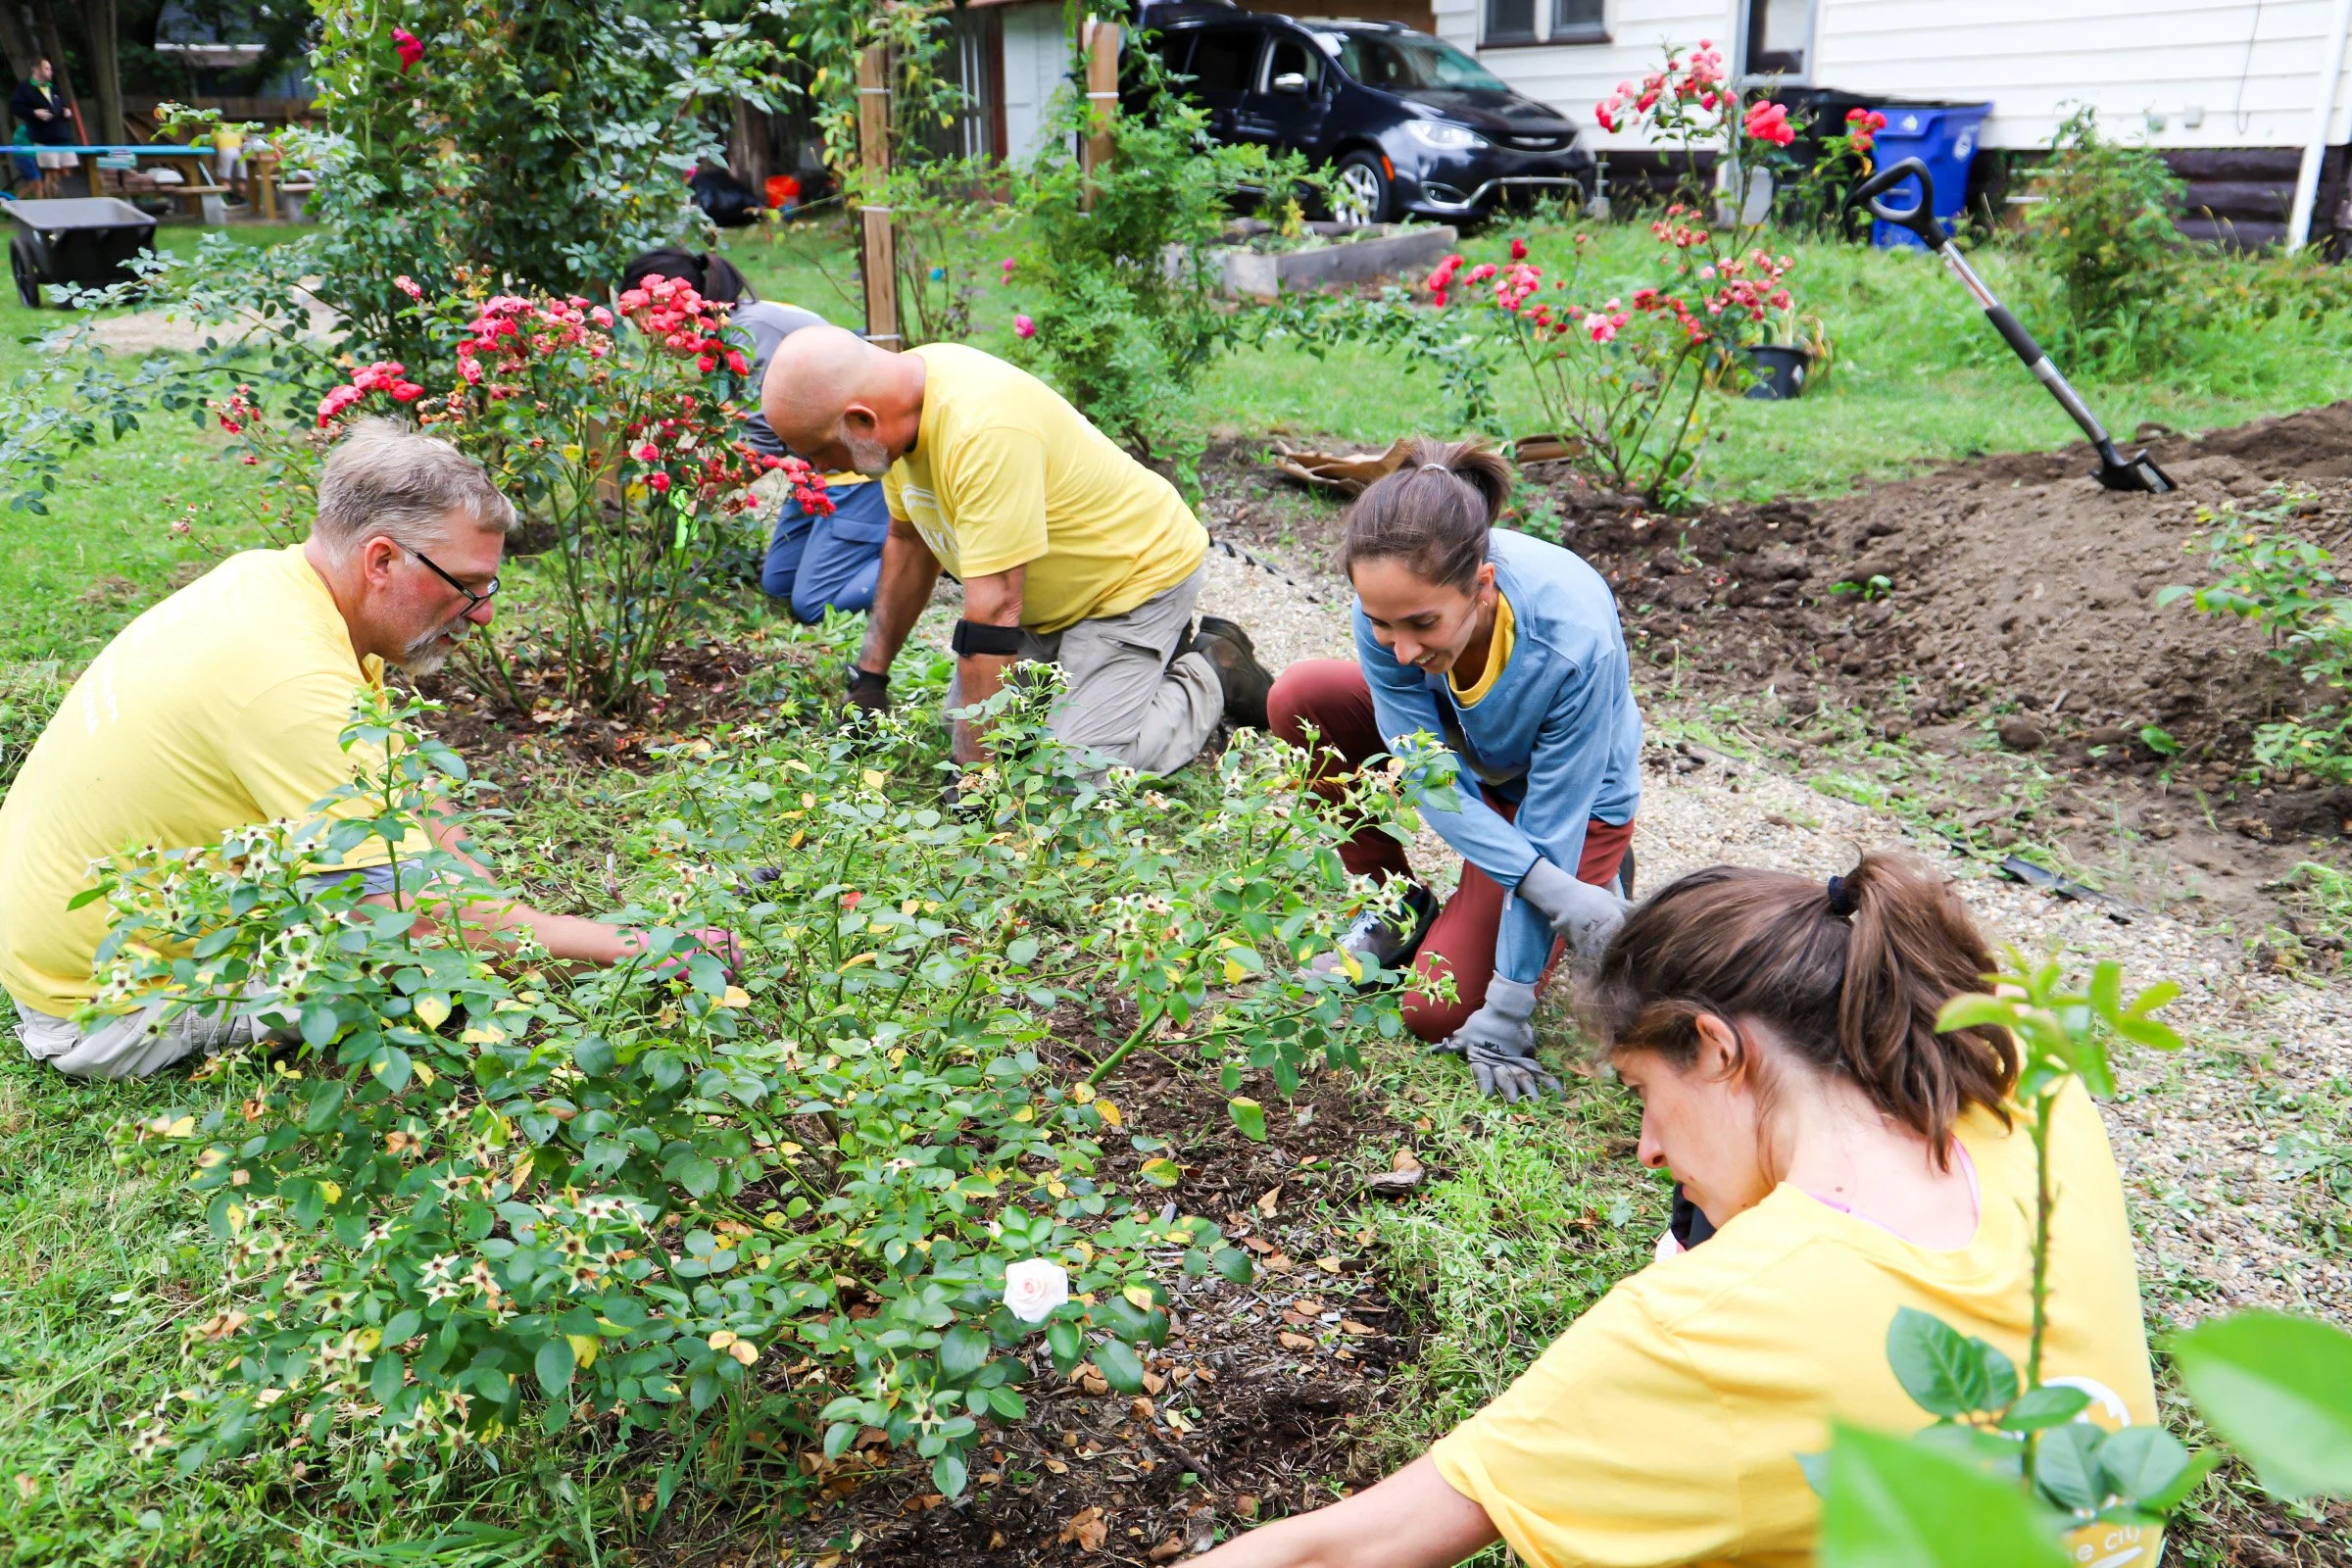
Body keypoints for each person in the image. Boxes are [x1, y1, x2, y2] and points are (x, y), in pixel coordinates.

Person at [1194, 852, 2165, 1568]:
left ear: (1717, 1045)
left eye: (1643, 1094)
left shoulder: (1709, 1329)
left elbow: (1343, 1551)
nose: (1648, 1147)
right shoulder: (2027, 1065)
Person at [0, 419, 726, 1080]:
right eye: (469, 586)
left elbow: (396, 786)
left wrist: (491, 904)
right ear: (382, 560)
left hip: (66, 936)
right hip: (107, 1009)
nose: (485, 612)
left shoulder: (277, 585)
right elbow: (411, 918)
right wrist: (639, 948)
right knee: (408, 966)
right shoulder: (289, 678)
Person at [1269, 440, 1640, 1100]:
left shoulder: (1570, 640)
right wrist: (1548, 889)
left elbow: (1550, 827)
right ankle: (1396, 905)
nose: (1402, 649)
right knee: (1303, 696)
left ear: (1483, 587)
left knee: (1434, 1011)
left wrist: (1508, 1007)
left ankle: (1602, 869)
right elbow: (1427, 774)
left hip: (1571, 803)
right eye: (1384, 625)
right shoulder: (1387, 604)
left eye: (1422, 624)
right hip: (1472, 762)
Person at [762, 326, 1274, 775]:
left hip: (1131, 586)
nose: (820, 469)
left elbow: (994, 610)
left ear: (862, 421)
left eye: (818, 451)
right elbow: (909, 541)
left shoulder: (982, 427)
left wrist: (973, 779)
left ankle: (1213, 671)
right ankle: (1118, 681)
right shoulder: (899, 408)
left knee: (1073, 772)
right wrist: (870, 677)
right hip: (1042, 600)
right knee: (980, 731)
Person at [619, 249, 888, 625]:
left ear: (674, 305)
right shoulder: (728, 333)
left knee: (813, 607)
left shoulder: (751, 331)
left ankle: (917, 556)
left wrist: (707, 491)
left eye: (644, 318)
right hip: (820, 472)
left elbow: (762, 438)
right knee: (779, 585)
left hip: (865, 467)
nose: (646, 332)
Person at [10, 58, 75, 198]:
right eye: (47, 68)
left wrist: (66, 111)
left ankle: (64, 199)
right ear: (37, 70)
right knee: (51, 173)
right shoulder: (25, 88)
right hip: (44, 139)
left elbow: (62, 105)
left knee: (66, 171)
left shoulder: (53, 87)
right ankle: (51, 203)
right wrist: (34, 112)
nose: (51, 71)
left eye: (50, 68)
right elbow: (15, 108)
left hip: (62, 137)